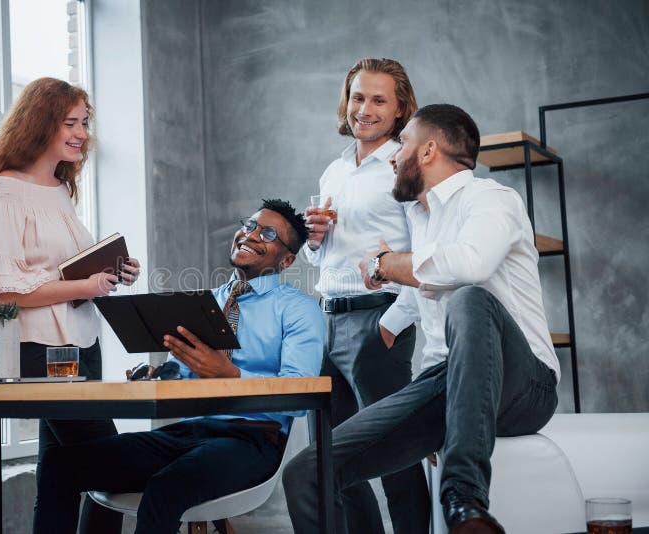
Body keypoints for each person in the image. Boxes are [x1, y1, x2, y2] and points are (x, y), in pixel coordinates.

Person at [284, 104, 560, 534]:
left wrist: (387, 264)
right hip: (454, 383)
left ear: (428, 151)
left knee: (471, 300)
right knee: (306, 473)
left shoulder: (491, 199)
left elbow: (470, 265)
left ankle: (463, 499)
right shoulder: (419, 217)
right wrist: (432, 407)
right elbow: (431, 324)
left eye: (404, 145)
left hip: (527, 386)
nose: (393, 157)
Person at [32, 199, 324, 534]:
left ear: (287, 259)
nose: (251, 234)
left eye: (268, 233)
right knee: (59, 465)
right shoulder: (203, 302)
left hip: (251, 440)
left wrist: (228, 374)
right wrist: (157, 376)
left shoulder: (299, 310)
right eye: (249, 225)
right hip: (187, 433)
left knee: (167, 486)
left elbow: (302, 394)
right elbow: (181, 373)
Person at [0, 77, 141, 533]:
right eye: (70, 123)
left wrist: (110, 273)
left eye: (85, 123)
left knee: (59, 474)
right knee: (112, 465)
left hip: (81, 344)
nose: (82, 133)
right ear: (41, 125)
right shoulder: (6, 190)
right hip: (39, 350)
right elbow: (5, 291)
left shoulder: (60, 190)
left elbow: (63, 271)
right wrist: (88, 285)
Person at [303, 57, 429, 533]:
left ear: (400, 111)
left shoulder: (407, 166)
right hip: (326, 320)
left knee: (395, 451)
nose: (365, 109)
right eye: (358, 97)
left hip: (378, 320)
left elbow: (427, 257)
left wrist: (393, 323)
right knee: (334, 455)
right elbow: (323, 258)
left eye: (379, 100)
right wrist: (314, 240)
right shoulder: (334, 171)